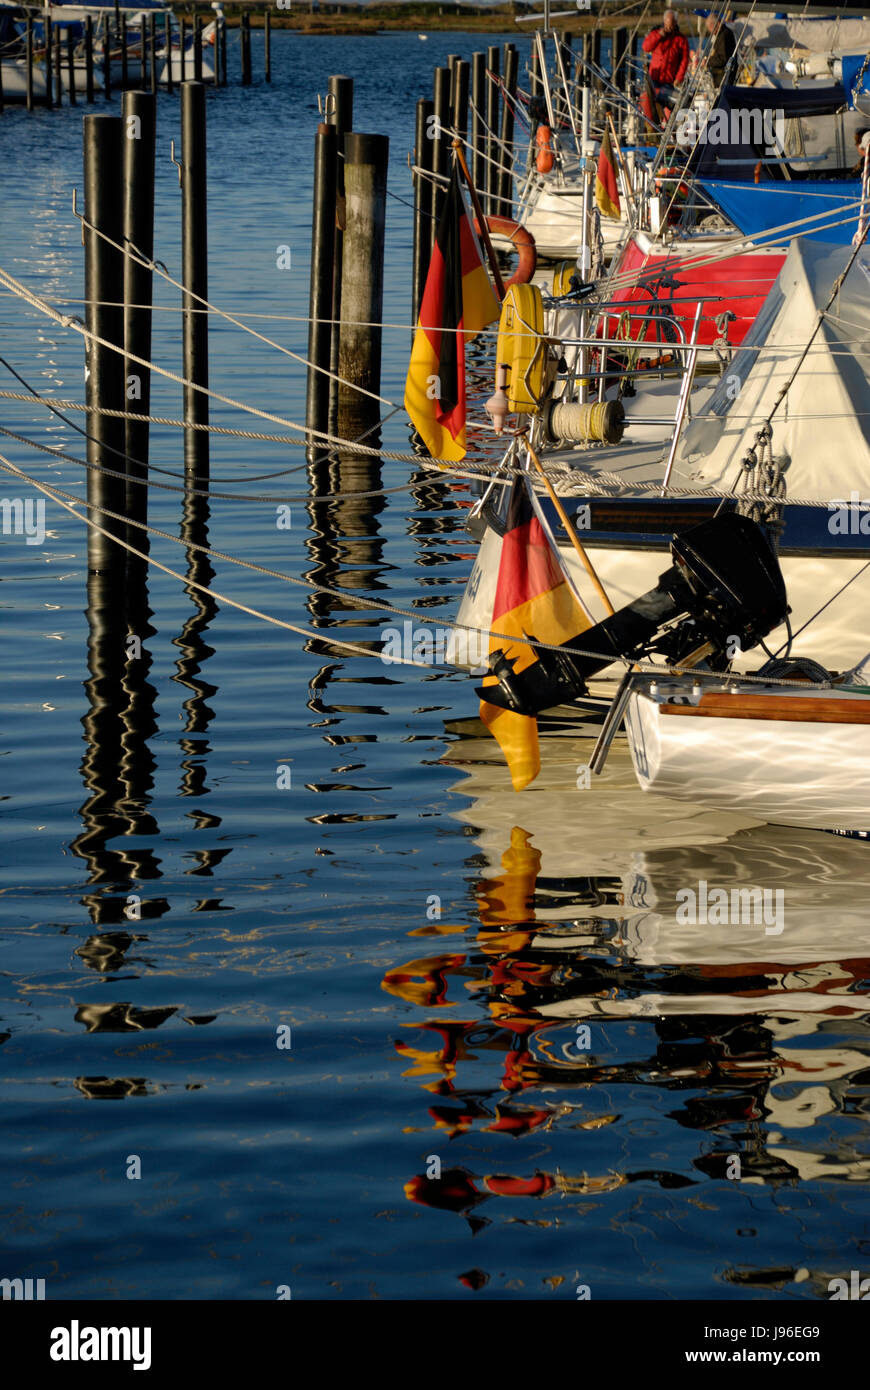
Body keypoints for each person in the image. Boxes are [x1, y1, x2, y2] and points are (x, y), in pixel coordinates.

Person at [642, 9, 690, 109]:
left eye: (671, 25)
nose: (669, 28)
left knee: (670, 104)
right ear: (664, 22)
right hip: (654, 79)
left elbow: (684, 60)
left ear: (675, 23)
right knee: (651, 104)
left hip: (669, 80)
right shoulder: (656, 34)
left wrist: (679, 78)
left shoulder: (681, 39)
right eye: (667, 25)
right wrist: (659, 36)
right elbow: (646, 47)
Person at [705, 14, 737, 88]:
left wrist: (707, 62)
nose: (711, 31)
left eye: (711, 27)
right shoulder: (722, 34)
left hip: (723, 76)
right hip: (721, 75)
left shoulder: (724, 35)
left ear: (718, 24)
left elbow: (722, 59)